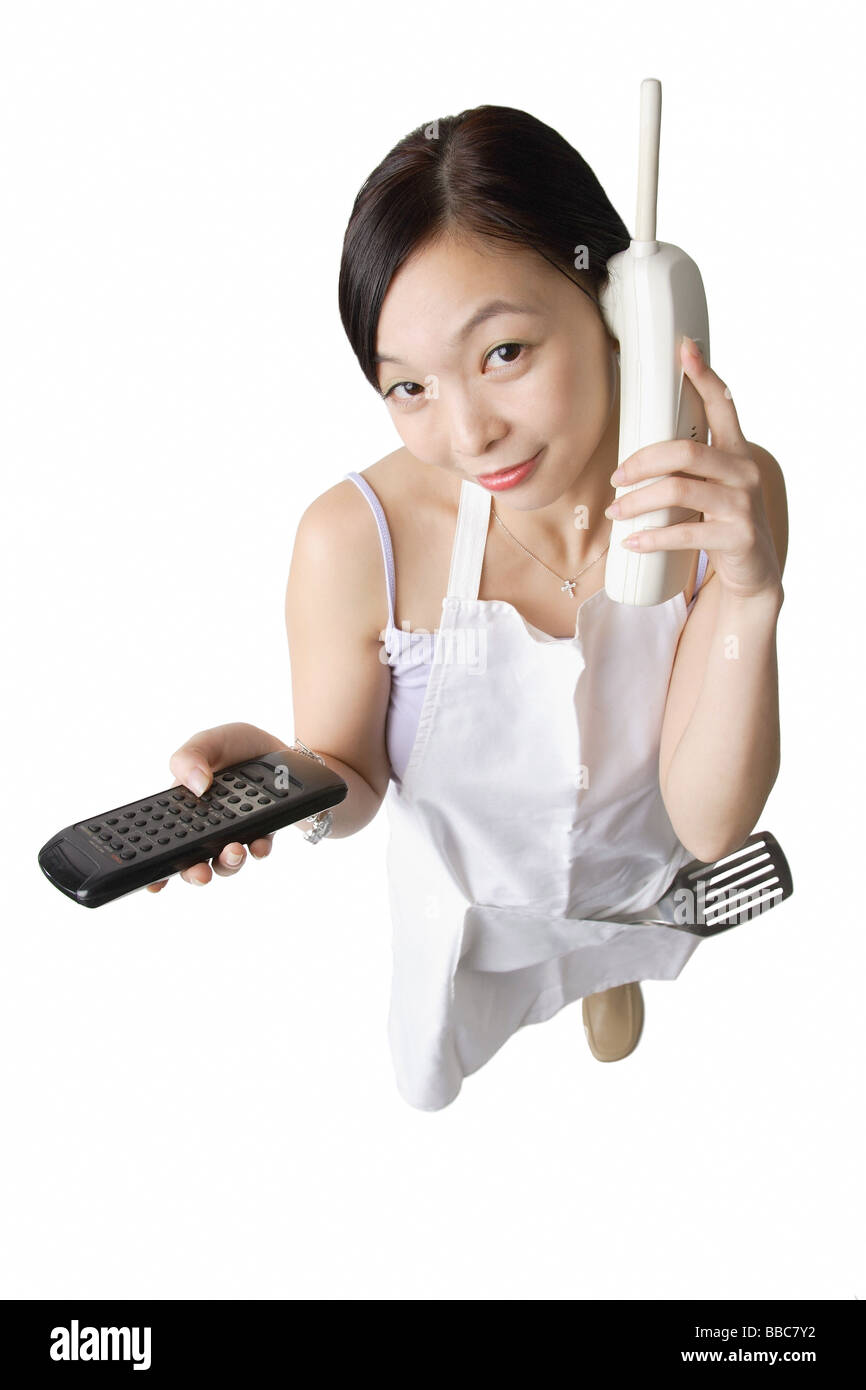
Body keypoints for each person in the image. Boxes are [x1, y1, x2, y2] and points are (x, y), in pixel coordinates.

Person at [147, 105, 787, 1111]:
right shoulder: (353, 541)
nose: (469, 433)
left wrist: (750, 587)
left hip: (637, 858)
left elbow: (708, 821)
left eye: (502, 354)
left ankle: (609, 965)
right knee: (438, 1059)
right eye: (408, 387)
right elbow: (353, 784)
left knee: (626, 907)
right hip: (468, 907)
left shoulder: (713, 497)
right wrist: (288, 777)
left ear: (616, 303)